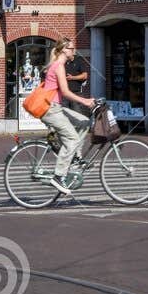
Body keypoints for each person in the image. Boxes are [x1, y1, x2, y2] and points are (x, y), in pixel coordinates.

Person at [39, 38, 96, 198]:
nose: (73, 51)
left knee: (85, 122)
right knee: (71, 139)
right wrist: (85, 100)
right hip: (51, 109)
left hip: (56, 108)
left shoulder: (59, 65)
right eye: (71, 48)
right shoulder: (58, 66)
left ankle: (75, 158)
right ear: (64, 50)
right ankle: (58, 176)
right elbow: (65, 92)